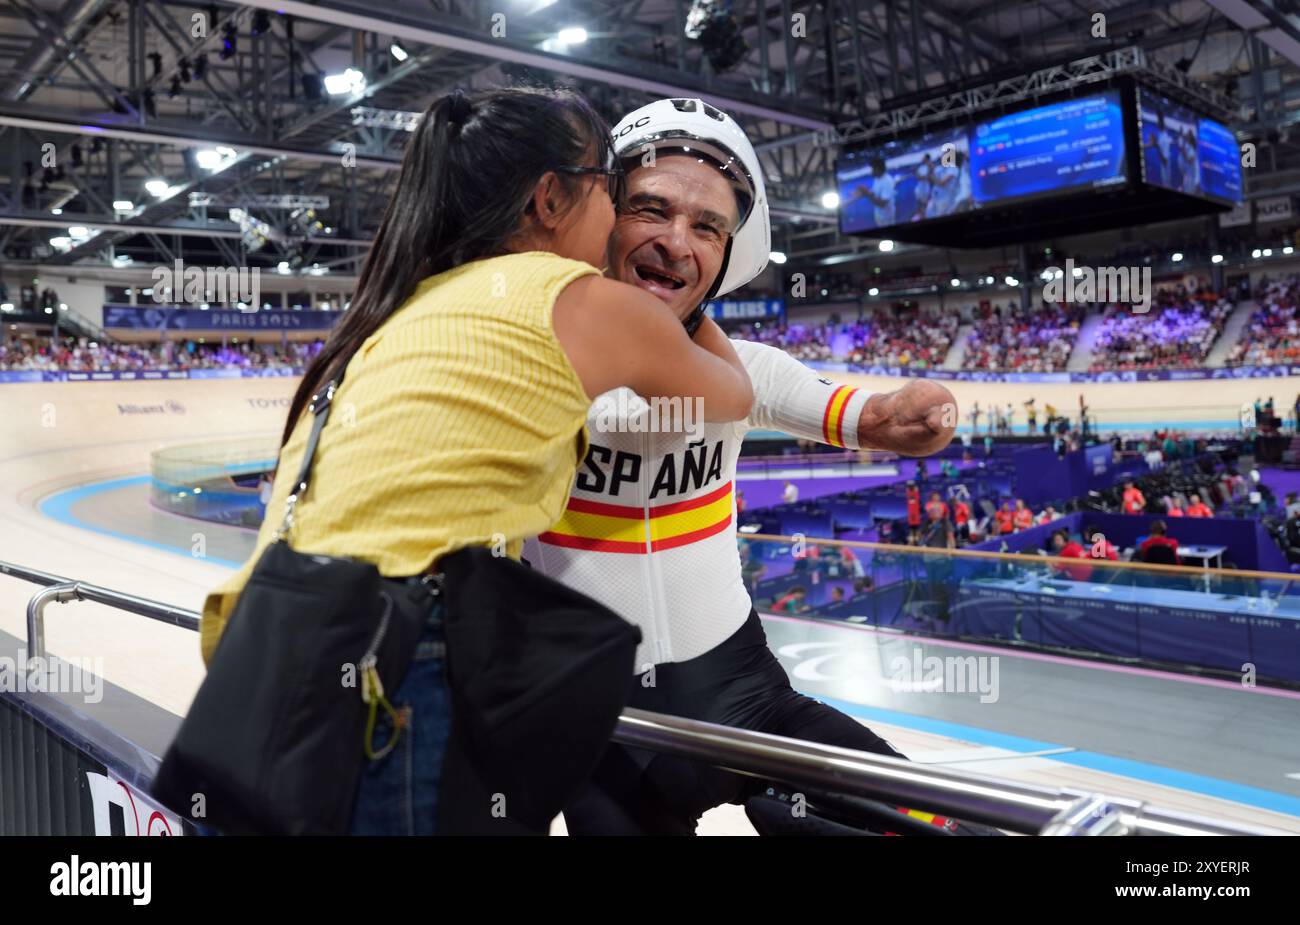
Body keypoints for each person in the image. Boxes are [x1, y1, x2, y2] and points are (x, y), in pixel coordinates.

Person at [200, 87, 755, 836]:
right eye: (610, 190)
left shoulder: (404, 305)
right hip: (400, 667)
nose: (620, 214)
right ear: (551, 198)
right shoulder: (586, 302)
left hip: (264, 659)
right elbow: (731, 393)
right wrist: (688, 296)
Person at [533, 98, 975, 837]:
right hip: (599, 726)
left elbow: (871, 412)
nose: (678, 241)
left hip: (742, 687)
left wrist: (911, 412)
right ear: (604, 217)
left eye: (707, 225)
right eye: (652, 209)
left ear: (726, 254)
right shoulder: (523, 371)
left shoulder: (751, 370)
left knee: (942, 824)